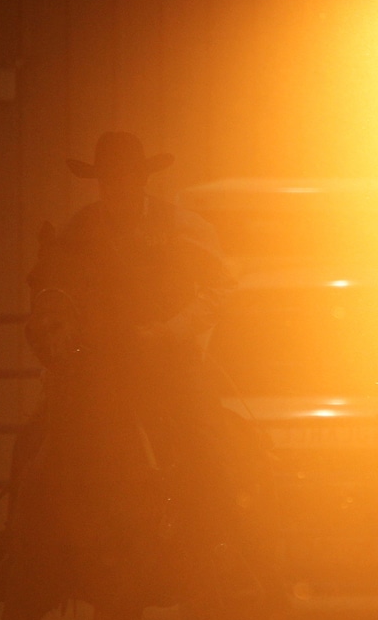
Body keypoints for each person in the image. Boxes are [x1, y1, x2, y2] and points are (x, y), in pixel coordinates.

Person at [26, 131, 237, 591]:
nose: (116, 187)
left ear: (141, 179)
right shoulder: (79, 230)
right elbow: (58, 288)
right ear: (99, 182)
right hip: (103, 364)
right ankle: (26, 545)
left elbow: (221, 288)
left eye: (125, 177)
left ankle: (222, 547)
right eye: (107, 179)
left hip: (171, 364)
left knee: (203, 440)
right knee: (40, 436)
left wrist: (169, 331)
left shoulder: (183, 227)